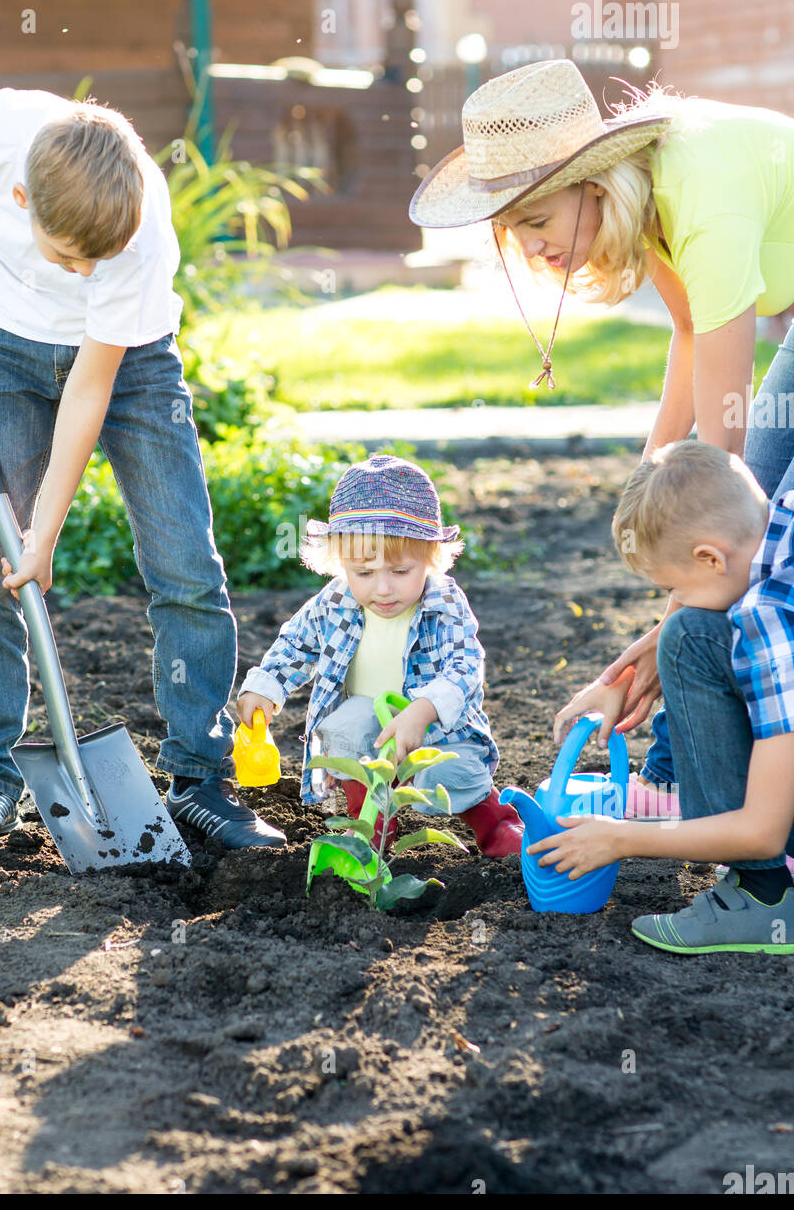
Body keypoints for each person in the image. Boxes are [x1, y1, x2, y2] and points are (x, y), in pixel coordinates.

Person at [0, 53, 284, 851]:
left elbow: (91, 391)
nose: (83, 272)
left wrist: (47, 536)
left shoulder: (138, 234)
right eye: (70, 256)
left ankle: (200, 777)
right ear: (21, 196)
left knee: (184, 562)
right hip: (2, 349)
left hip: (129, 361)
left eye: (97, 259)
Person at [409, 56, 794, 819]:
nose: (534, 249)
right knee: (725, 552)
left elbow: (724, 469)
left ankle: (689, 782)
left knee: (753, 547)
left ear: (594, 184)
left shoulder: (702, 197)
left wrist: (658, 624)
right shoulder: (649, 192)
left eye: (538, 222)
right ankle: (677, 774)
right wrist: (646, 479)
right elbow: (689, 332)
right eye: (516, 233)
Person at [529, 441, 794, 954]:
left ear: (710, 557)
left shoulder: (770, 616)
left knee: (688, 635)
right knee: (688, 633)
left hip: (763, 833)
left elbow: (761, 832)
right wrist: (625, 677)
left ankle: (763, 898)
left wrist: (621, 839)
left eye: (673, 587)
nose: (675, 603)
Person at [236, 454, 523, 856]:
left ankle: (495, 825)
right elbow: (296, 643)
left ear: (430, 558)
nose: (383, 589)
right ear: (340, 564)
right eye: (364, 573)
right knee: (345, 730)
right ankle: (367, 831)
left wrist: (422, 712)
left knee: (452, 772)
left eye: (401, 571)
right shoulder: (335, 600)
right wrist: (266, 688)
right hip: (368, 721)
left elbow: (465, 666)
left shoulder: (444, 603)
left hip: (436, 727)